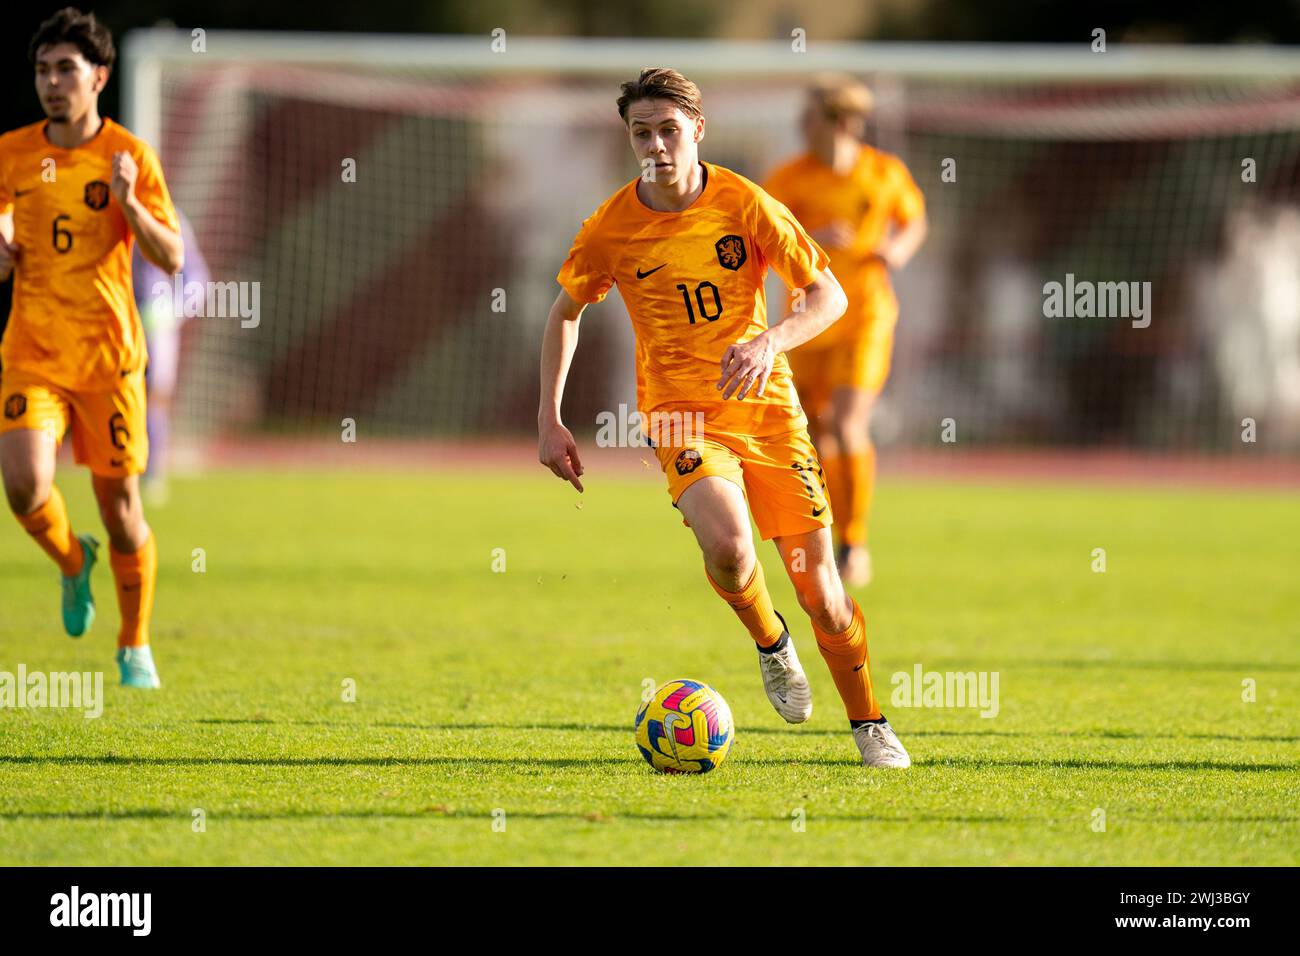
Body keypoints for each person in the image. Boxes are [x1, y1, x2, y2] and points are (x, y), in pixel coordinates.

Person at [538, 68, 910, 767]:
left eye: (668, 129)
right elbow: (564, 314)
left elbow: (826, 297)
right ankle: (771, 644)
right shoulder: (611, 226)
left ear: (697, 130)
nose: (656, 145)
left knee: (826, 599)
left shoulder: (746, 202)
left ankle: (870, 725)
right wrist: (549, 419)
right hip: (679, 416)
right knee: (733, 549)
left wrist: (770, 341)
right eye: (641, 133)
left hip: (769, 415)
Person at [0, 8, 184, 688]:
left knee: (123, 512)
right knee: (23, 486)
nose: (52, 82)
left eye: (66, 69)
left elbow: (171, 256)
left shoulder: (130, 156)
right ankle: (74, 562)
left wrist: (133, 209)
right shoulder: (12, 152)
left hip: (109, 361)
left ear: (99, 76)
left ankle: (134, 643)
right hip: (33, 353)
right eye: (44, 70)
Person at [764, 75, 927, 587]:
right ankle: (821, 533)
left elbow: (914, 220)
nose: (800, 125)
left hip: (866, 315)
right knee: (815, 429)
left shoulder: (884, 172)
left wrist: (896, 250)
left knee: (850, 422)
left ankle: (854, 544)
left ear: (839, 122)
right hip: (808, 318)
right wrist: (812, 236)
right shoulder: (787, 179)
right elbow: (761, 235)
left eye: (809, 116)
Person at [133, 209, 208, 505]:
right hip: (118, 320)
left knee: (155, 396)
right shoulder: (110, 212)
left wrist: (172, 311)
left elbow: (197, 277)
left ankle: (152, 471)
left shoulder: (172, 218)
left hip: (156, 324)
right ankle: (119, 466)